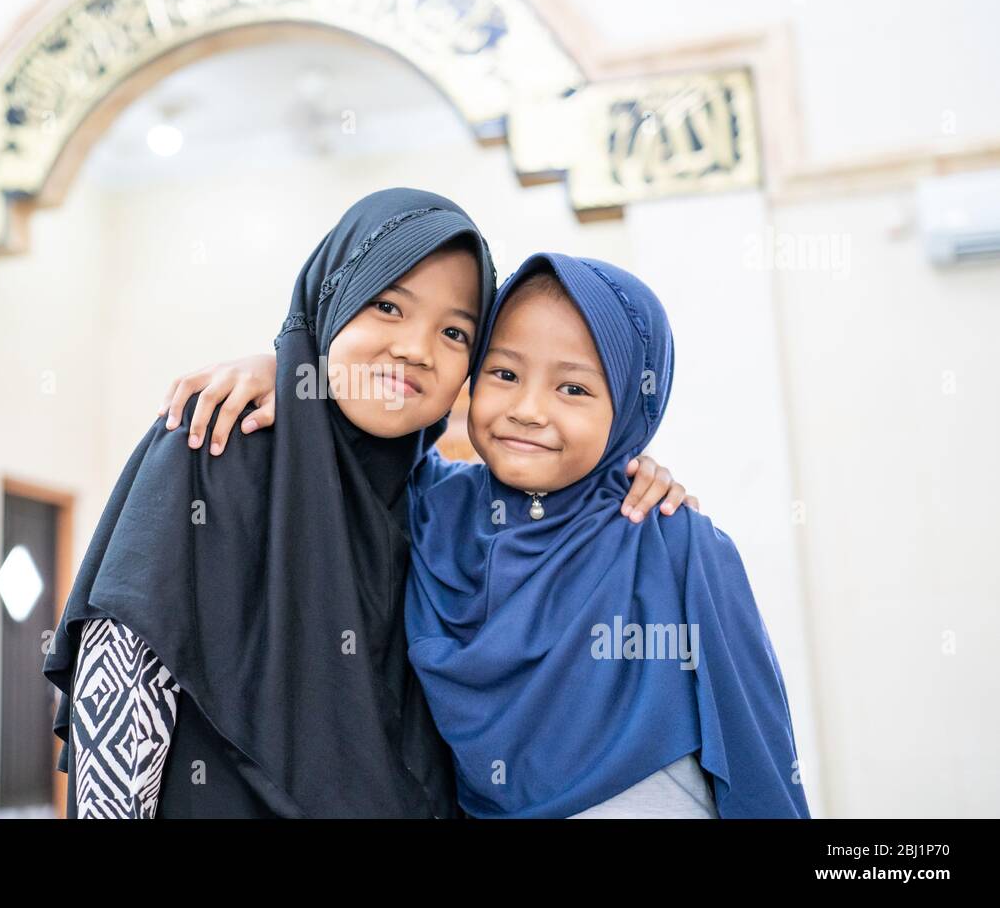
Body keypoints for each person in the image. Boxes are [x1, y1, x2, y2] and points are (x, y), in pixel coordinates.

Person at [45, 188, 694, 818]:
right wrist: (292, 363)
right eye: (388, 306)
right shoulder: (218, 441)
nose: (415, 347)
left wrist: (629, 474)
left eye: (455, 333)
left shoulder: (440, 505)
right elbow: (123, 688)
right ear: (334, 298)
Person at [405, 252, 811, 818]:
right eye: (504, 374)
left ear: (629, 412)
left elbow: (755, 744)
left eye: (573, 390)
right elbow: (349, 451)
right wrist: (283, 370)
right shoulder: (431, 512)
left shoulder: (672, 542)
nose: (526, 409)